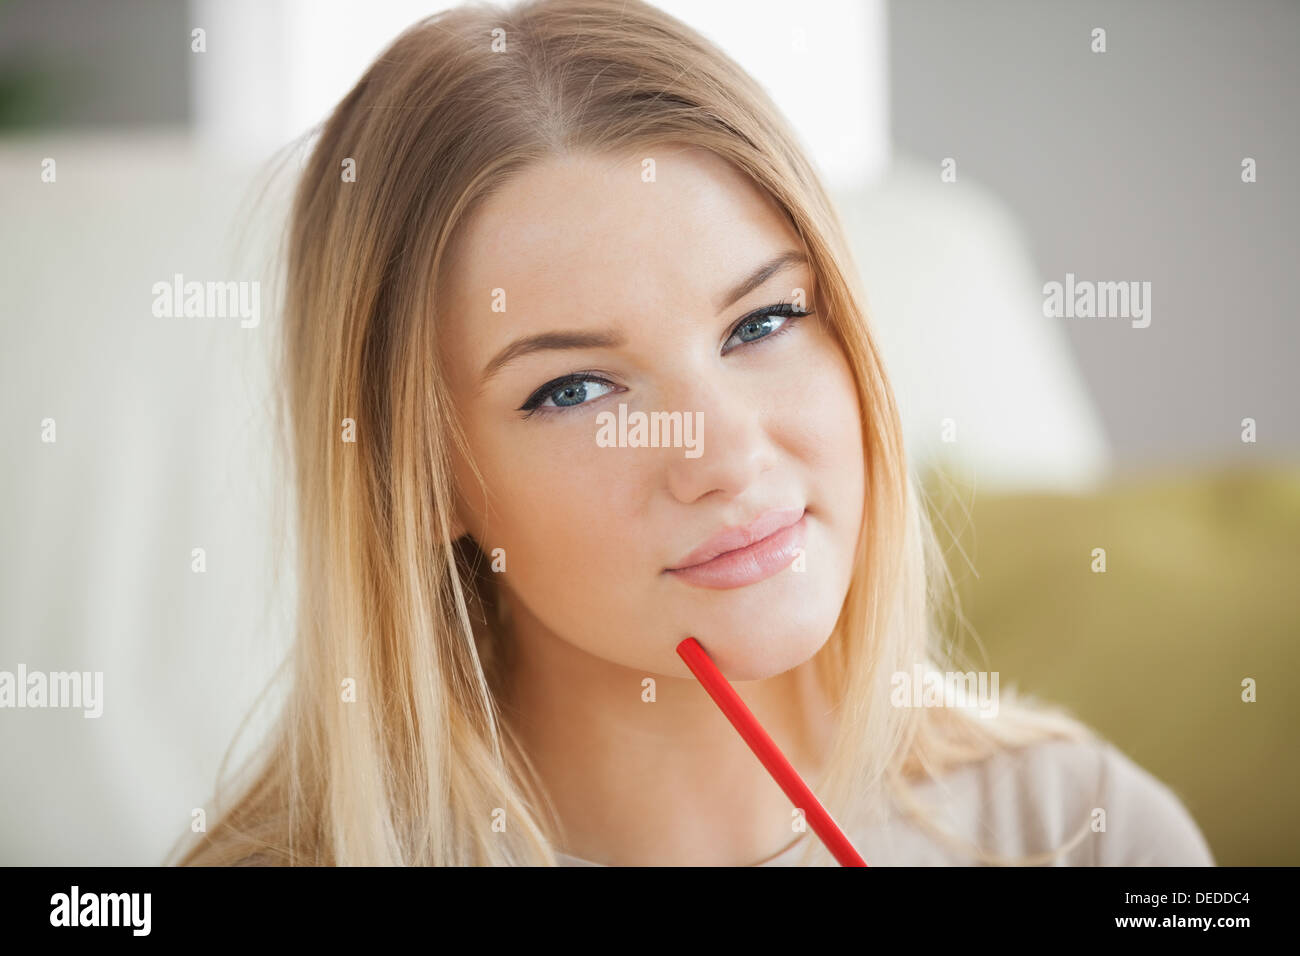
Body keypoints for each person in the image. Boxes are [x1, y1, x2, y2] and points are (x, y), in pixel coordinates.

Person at [172, 0, 1213, 867]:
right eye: (576, 387)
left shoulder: (1088, 832)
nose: (726, 456)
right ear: (421, 475)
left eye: (763, 322)